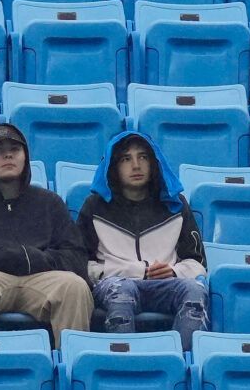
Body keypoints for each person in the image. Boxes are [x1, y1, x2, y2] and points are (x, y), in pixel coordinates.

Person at [0, 121, 93, 332]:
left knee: (75, 286)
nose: (8, 155)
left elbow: (75, 255)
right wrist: (4, 257)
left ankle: (70, 353)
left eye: (14, 149)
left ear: (25, 157)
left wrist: (34, 258)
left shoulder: (50, 202)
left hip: (41, 277)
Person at [76, 130, 209, 345]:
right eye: (126, 159)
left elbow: (198, 263)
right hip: (116, 283)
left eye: (143, 157)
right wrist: (133, 271)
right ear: (113, 166)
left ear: (154, 163)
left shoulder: (176, 205)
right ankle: (125, 358)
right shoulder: (94, 207)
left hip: (167, 284)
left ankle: (181, 359)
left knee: (195, 290)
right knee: (122, 290)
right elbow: (80, 264)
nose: (136, 166)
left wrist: (174, 271)